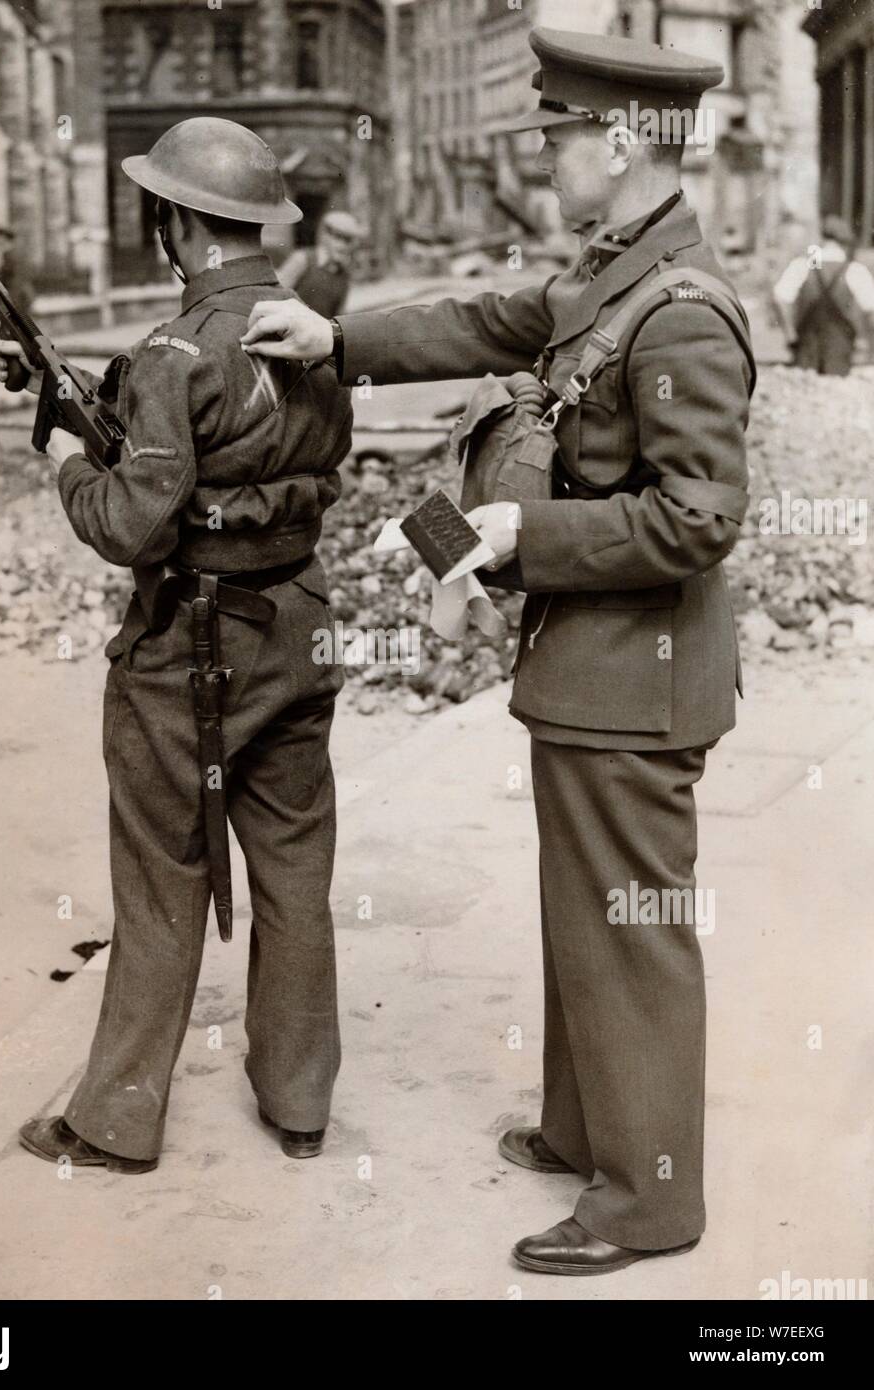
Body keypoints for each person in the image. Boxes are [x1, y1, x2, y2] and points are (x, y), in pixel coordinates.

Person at [242, 26, 755, 1275]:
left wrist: (529, 526)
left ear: (624, 140)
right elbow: (482, 318)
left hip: (636, 679)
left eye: (560, 136)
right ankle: (589, 1131)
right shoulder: (610, 278)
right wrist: (337, 341)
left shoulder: (680, 310)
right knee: (584, 916)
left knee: (631, 929)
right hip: (591, 667)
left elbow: (699, 518)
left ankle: (648, 1199)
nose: (544, 156)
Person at [0, 117, 353, 1171]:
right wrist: (92, 400)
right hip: (295, 625)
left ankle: (114, 1118)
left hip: (187, 649)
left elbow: (127, 524)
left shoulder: (172, 352)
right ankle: (298, 1101)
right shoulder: (321, 334)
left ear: (180, 225)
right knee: (293, 867)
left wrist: (65, 453)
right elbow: (247, 453)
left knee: (159, 872)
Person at [773, 214, 874, 375]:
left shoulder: (803, 265)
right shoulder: (854, 270)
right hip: (840, 355)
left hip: (805, 352)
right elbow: (871, 309)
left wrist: (790, 334)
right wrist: (869, 345)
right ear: (845, 242)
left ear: (822, 238)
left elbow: (779, 298)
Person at [277, 209, 362, 317]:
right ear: (325, 236)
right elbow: (276, 296)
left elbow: (339, 316)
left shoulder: (343, 275)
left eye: (348, 241)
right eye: (338, 238)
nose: (344, 246)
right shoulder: (303, 260)